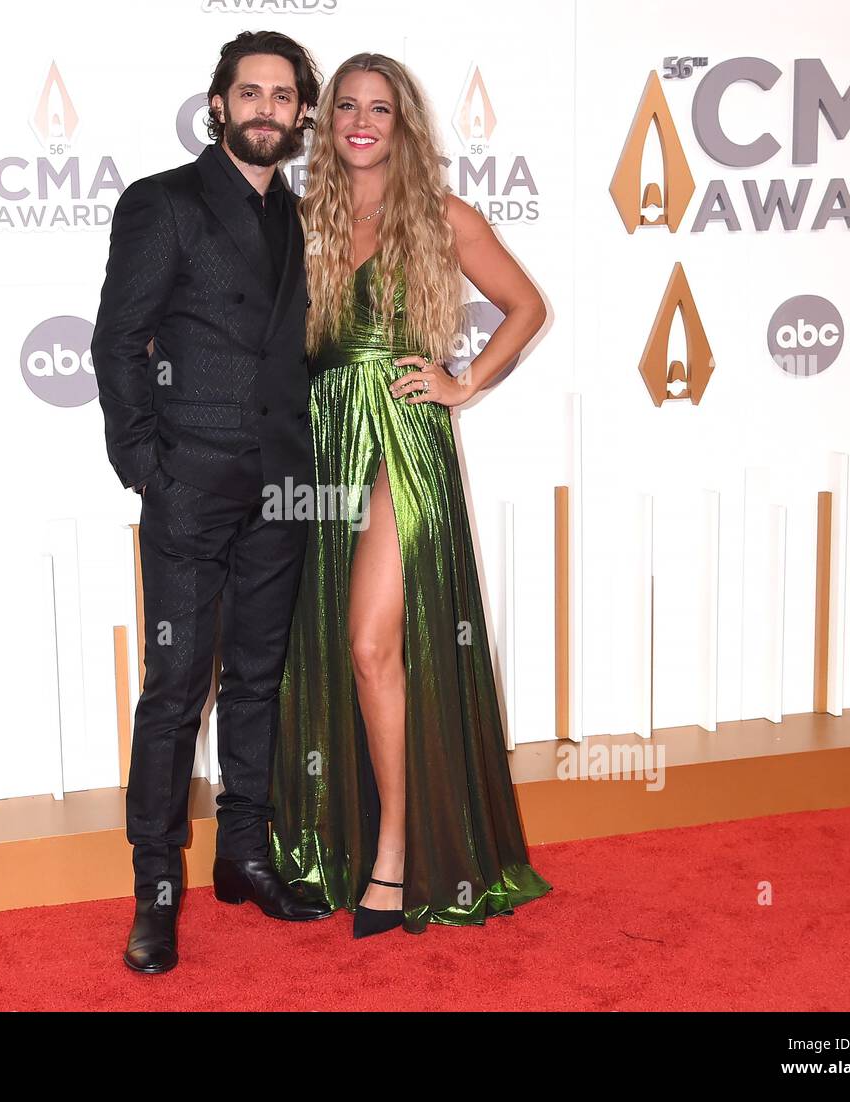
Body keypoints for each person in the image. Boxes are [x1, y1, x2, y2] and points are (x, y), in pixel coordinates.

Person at [269, 53, 553, 938]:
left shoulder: (440, 214)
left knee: (368, 640)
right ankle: (337, 841)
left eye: (380, 108)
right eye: (346, 107)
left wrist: (465, 383)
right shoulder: (297, 218)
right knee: (321, 644)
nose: (362, 121)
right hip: (321, 440)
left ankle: (395, 851)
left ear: (405, 123)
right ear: (324, 123)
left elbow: (526, 306)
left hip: (400, 435)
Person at [91, 30, 332, 975]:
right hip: (192, 485)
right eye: (250, 92)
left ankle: (244, 856)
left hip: (283, 482)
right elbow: (119, 342)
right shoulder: (164, 204)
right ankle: (156, 891)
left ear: (300, 114)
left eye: (283, 96)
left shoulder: (301, 218)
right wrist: (148, 465)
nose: (266, 108)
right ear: (219, 102)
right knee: (174, 692)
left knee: (260, 679)